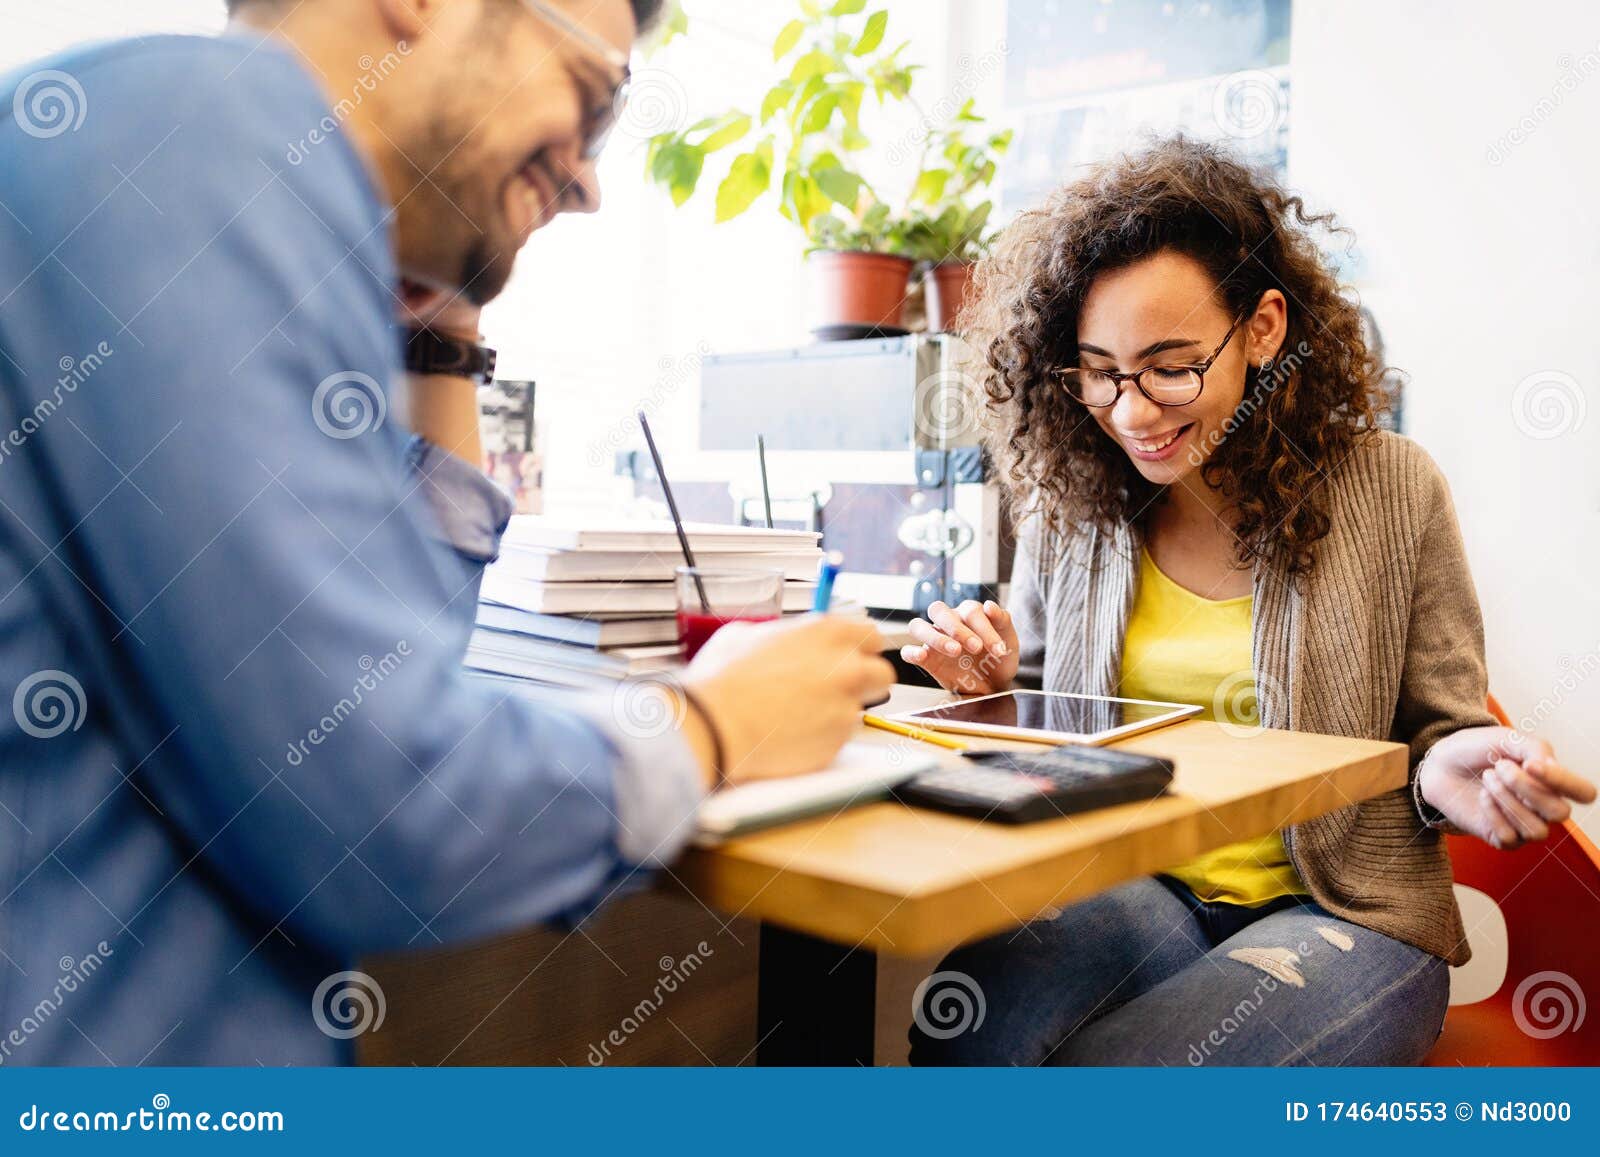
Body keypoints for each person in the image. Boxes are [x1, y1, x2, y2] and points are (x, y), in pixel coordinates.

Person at [0, 0, 893, 1065]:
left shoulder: (179, 157)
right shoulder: (200, 129)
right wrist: (710, 725)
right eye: (593, 98)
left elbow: (393, 649)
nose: (591, 183)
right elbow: (382, 801)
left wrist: (443, 337)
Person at [902, 136, 1595, 1066]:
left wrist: (1452, 768)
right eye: (1100, 370)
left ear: (1263, 328)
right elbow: (1047, 728)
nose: (1134, 411)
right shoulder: (1073, 505)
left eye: (1172, 364)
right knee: (963, 1036)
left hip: (1343, 912)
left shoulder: (1392, 489)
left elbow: (1437, 736)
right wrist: (988, 691)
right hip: (1139, 884)